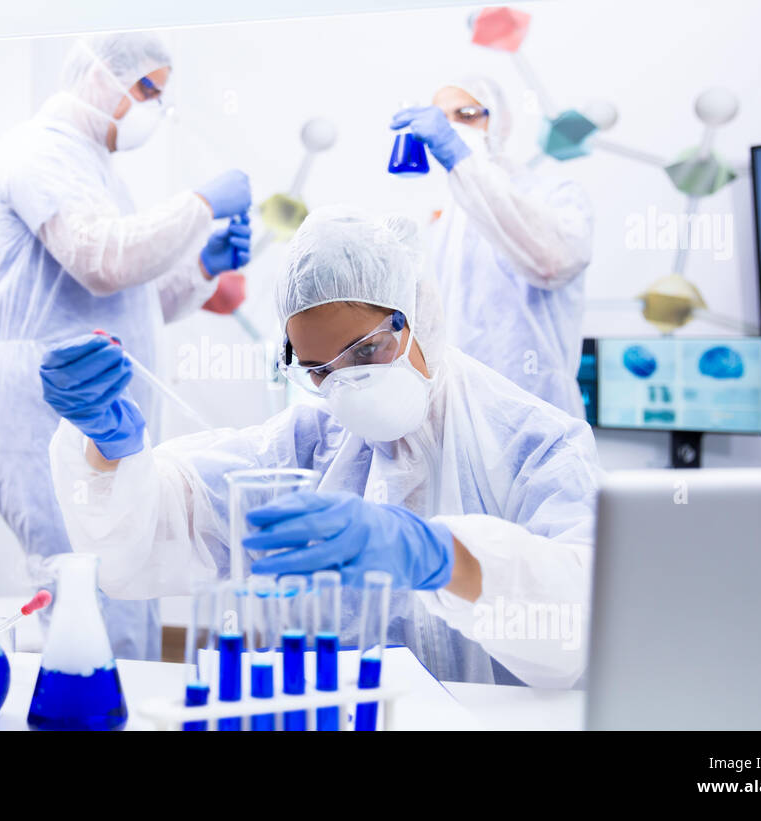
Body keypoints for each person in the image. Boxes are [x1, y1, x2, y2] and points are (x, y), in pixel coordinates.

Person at [40, 207, 602, 687]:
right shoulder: (305, 446)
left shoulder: (537, 443)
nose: (345, 385)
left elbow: (579, 626)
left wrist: (439, 556)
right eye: (317, 370)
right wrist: (108, 449)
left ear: (417, 317)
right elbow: (158, 529)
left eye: (364, 353)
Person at [0, 32, 253, 661]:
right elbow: (101, 260)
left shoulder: (93, 167)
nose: (154, 105)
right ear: (99, 75)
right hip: (40, 408)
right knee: (87, 591)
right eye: (147, 88)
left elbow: (129, 305)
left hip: (93, 416)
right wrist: (201, 204)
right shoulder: (37, 152)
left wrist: (201, 269)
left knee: (125, 579)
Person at [389, 77, 593, 418]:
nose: (452, 128)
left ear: (499, 121)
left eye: (467, 114)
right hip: (457, 411)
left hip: (538, 409)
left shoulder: (554, 195)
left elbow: (553, 263)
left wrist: (460, 158)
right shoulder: (443, 219)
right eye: (441, 120)